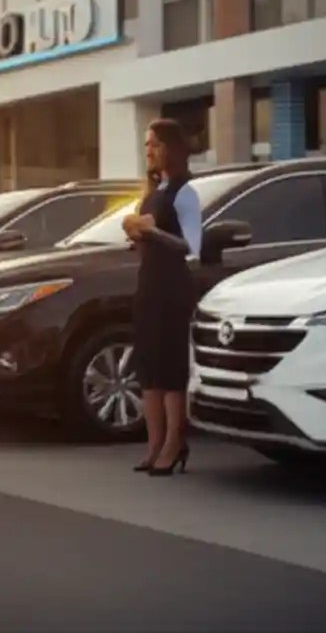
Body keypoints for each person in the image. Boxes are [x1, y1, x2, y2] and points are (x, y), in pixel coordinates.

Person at [123, 119, 202, 477]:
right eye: (146, 145)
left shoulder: (185, 192)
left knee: (171, 371)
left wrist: (153, 232)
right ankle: (154, 444)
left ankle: (175, 443)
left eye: (154, 144)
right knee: (149, 369)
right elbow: (147, 240)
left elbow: (191, 247)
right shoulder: (153, 190)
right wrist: (138, 235)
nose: (149, 151)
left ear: (171, 148)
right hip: (148, 286)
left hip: (173, 288)